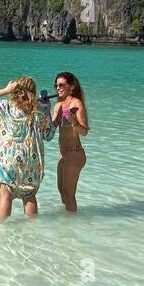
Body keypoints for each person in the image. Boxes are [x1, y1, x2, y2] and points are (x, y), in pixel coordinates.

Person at [0, 77, 55, 218]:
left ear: (15, 92)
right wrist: (48, 110)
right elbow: (49, 135)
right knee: (29, 196)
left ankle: (1, 230)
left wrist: (6, 90)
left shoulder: (5, 107)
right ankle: (31, 230)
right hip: (31, 161)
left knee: (6, 196)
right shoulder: (40, 111)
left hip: (8, 161)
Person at [52, 72, 89, 213]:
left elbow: (84, 132)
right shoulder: (58, 106)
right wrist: (44, 110)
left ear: (71, 87)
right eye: (56, 85)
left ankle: (71, 226)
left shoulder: (76, 103)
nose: (58, 88)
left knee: (69, 194)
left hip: (75, 153)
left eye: (62, 85)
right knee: (61, 191)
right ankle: (68, 224)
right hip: (63, 154)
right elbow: (51, 128)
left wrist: (74, 122)